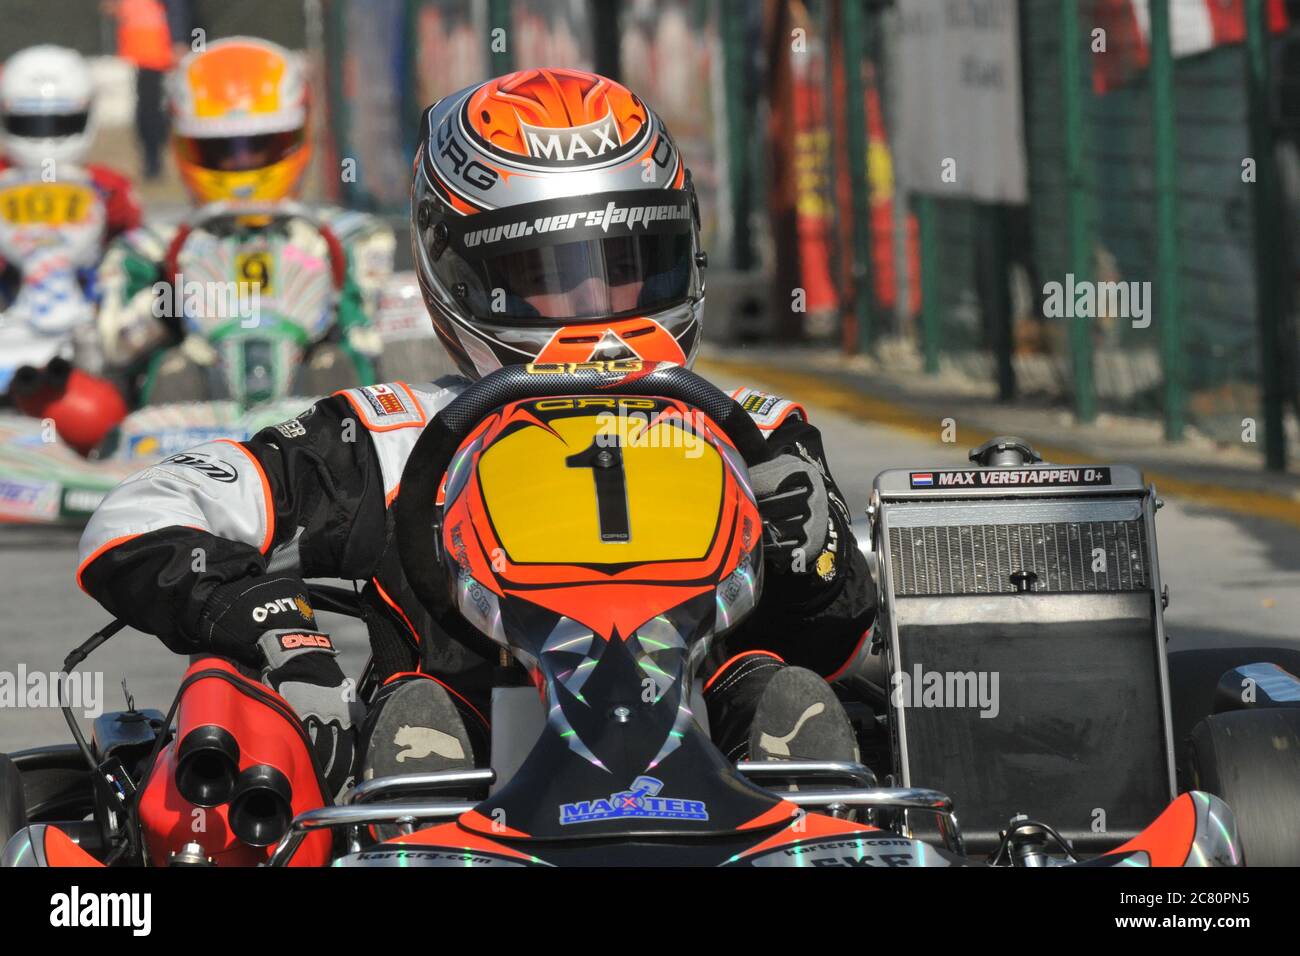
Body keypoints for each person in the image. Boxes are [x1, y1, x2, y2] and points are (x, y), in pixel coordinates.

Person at [77, 68, 876, 798]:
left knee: (788, 687)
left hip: (728, 794)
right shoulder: (386, 436)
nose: (596, 302)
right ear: (455, 271)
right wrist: (258, 614)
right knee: (362, 713)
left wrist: (815, 567)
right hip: (460, 793)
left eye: (630, 258)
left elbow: (844, 635)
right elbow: (138, 513)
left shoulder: (757, 434)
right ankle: (417, 788)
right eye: (546, 272)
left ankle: (801, 789)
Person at [95, 36, 389, 406]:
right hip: (187, 436)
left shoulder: (351, 239)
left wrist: (333, 310)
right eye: (220, 150)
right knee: (175, 369)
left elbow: (380, 347)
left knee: (333, 366)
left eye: (260, 145)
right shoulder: (147, 251)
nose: (241, 162)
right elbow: (110, 350)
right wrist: (167, 304)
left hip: (316, 432)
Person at [0, 45, 143, 285]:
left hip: (86, 307)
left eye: (60, 123)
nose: (45, 138)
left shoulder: (108, 187)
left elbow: (134, 250)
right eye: (30, 125)